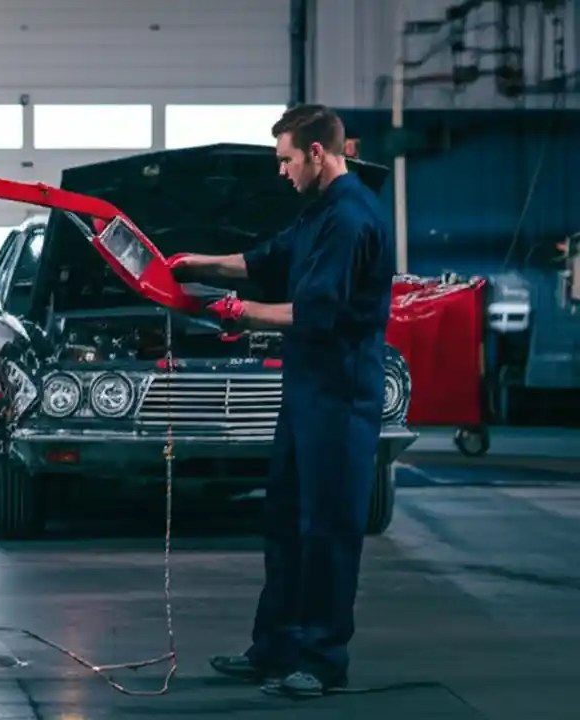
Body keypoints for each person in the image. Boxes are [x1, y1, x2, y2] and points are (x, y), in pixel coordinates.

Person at [169, 104, 395, 698]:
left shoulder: (351, 219)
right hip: (306, 392)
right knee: (285, 524)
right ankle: (274, 649)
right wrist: (198, 264)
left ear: (318, 153)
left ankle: (320, 662)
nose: (281, 172)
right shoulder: (320, 211)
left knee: (328, 529)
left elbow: (316, 312)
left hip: (341, 396)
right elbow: (266, 259)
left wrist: (237, 313)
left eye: (286, 159)